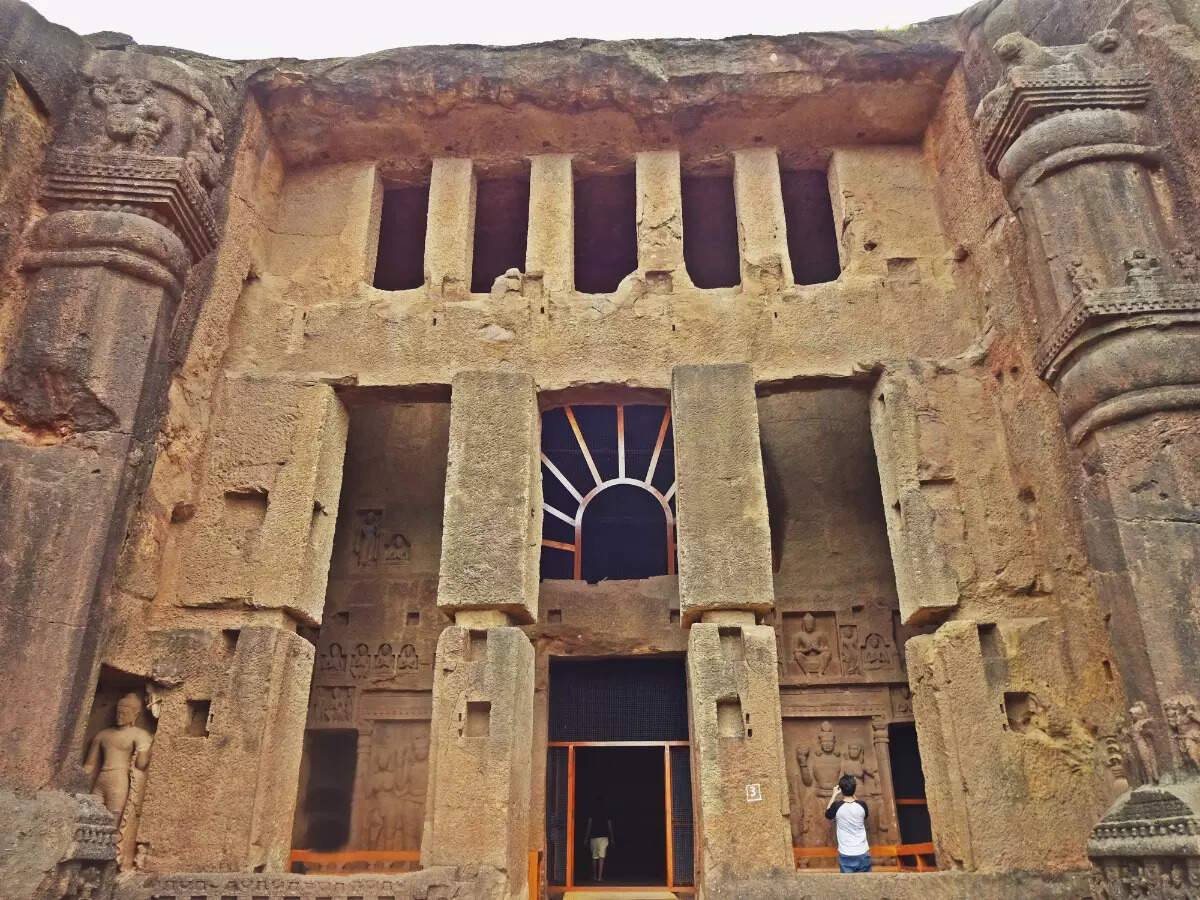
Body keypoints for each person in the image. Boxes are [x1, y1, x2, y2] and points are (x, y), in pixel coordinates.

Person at [825, 774, 871, 873]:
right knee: (866, 881)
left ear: (841, 789)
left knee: (848, 882)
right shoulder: (862, 805)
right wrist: (852, 789)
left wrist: (834, 794)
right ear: (854, 788)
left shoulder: (837, 806)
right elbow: (863, 811)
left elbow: (828, 814)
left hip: (846, 853)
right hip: (863, 852)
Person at [583, 804, 615, 883]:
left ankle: (594, 876)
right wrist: (612, 837)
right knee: (601, 857)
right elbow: (610, 826)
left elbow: (589, 826)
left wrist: (586, 838)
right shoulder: (607, 813)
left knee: (594, 857)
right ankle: (600, 877)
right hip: (604, 837)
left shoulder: (592, 813)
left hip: (593, 837)